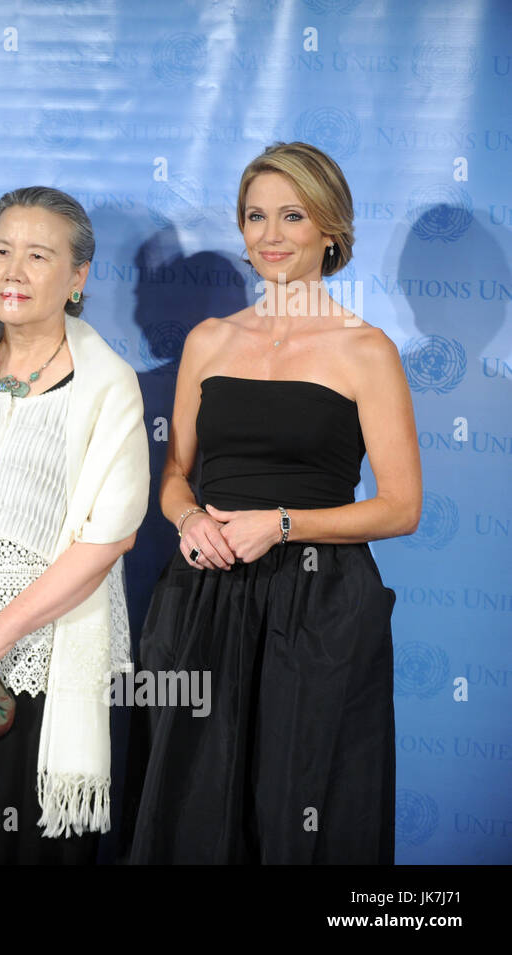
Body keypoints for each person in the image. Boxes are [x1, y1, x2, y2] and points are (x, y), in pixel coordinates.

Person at [128, 142, 422, 864]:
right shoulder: (209, 340)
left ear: (331, 229)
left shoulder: (367, 350)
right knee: (192, 813)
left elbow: (401, 507)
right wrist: (188, 518)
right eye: (256, 216)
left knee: (302, 819)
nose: (271, 234)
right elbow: (174, 476)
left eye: (292, 215)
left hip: (318, 610)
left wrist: (286, 525)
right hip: (203, 603)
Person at [0, 187, 149, 864]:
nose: (13, 270)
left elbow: (110, 535)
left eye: (38, 255)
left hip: (38, 668)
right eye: (2, 250)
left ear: (77, 278)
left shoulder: (108, 386)